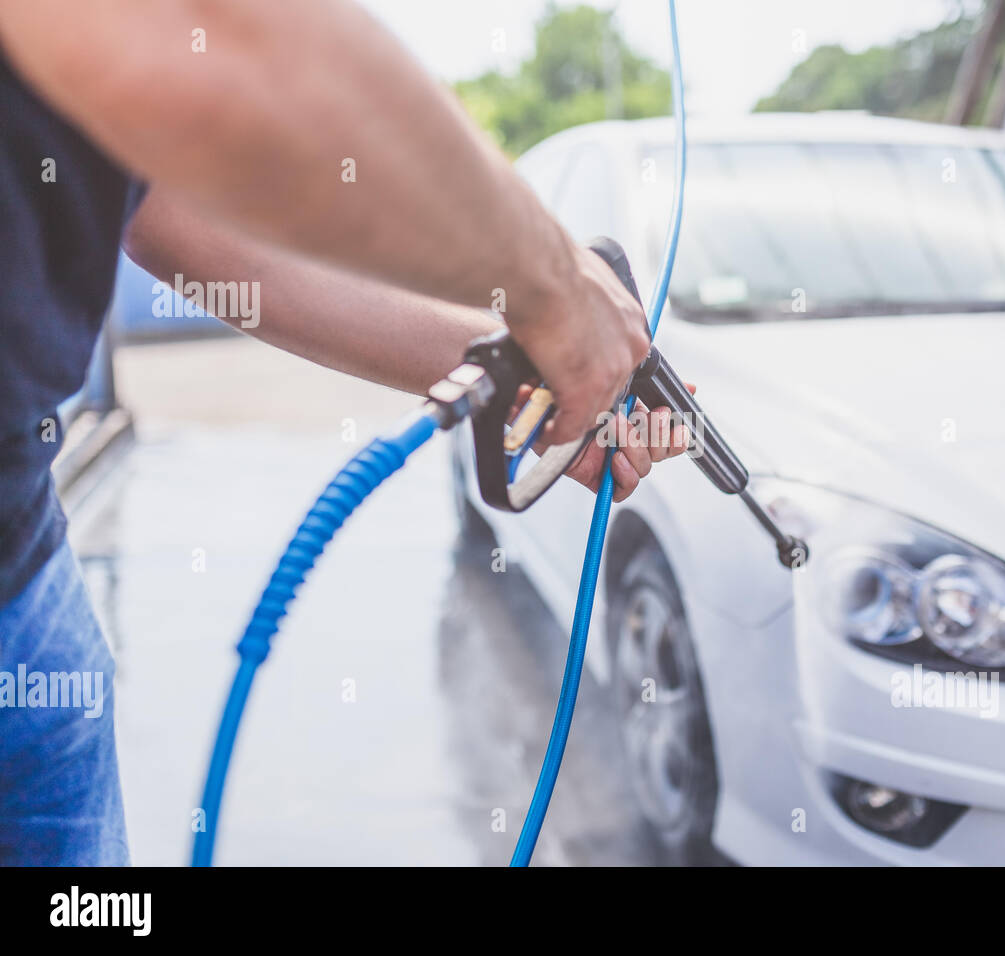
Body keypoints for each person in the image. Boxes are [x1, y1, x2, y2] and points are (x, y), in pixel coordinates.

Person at [0, 0, 688, 865]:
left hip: (26, 566)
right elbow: (208, 35)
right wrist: (552, 282)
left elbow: (179, 223)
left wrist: (526, 364)